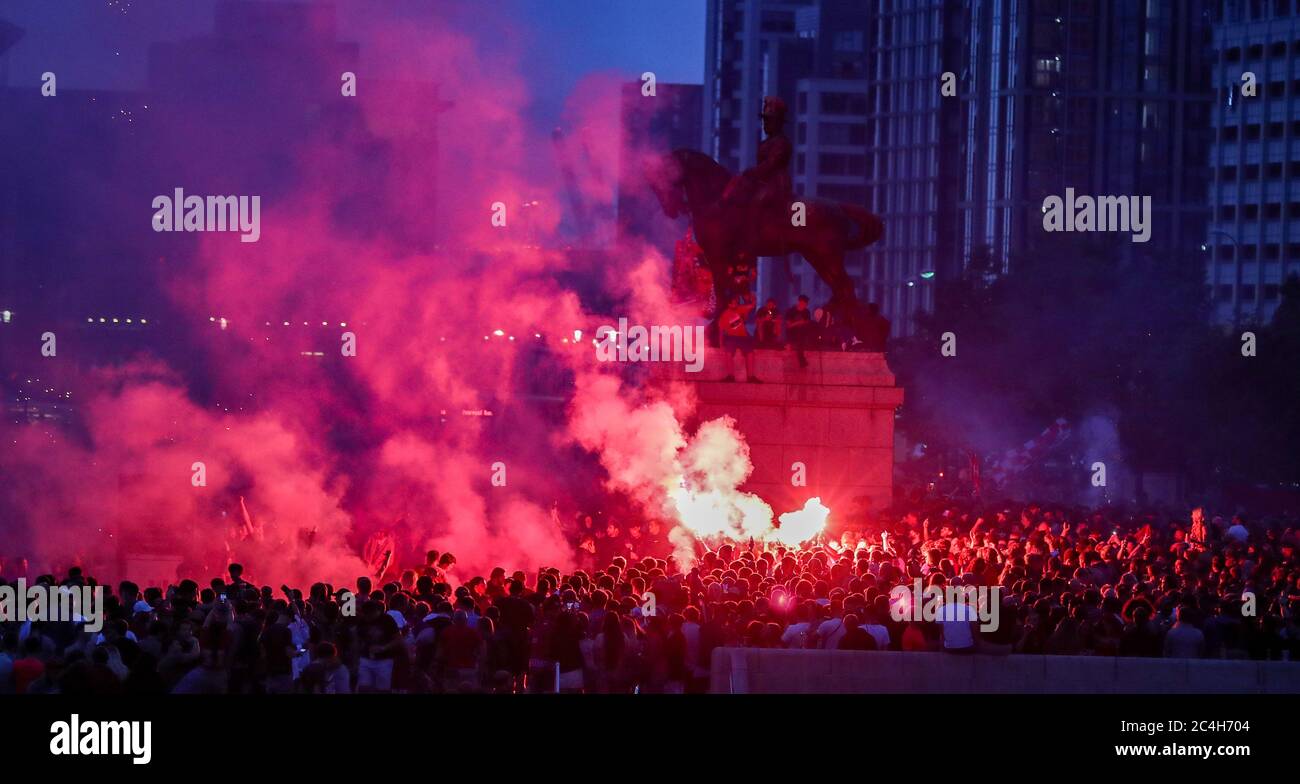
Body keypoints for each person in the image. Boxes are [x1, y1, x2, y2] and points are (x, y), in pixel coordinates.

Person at [719, 280, 759, 383]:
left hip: (743, 337)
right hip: (731, 337)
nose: (735, 304)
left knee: (750, 353)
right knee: (728, 353)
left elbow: (752, 305)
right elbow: (721, 330)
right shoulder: (725, 314)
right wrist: (721, 343)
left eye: (736, 302)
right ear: (729, 304)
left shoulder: (740, 309)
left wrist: (753, 297)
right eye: (733, 303)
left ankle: (750, 377)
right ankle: (730, 376)